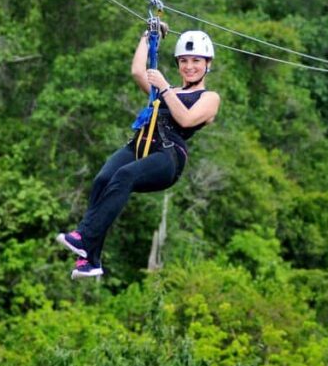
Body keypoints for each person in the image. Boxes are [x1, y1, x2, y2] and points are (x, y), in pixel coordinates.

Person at [56, 25, 221, 278]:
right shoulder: (167, 90)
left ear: (207, 64)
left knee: (125, 176)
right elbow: (137, 71)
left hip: (168, 155)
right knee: (103, 180)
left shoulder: (209, 97)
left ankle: (84, 238)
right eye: (184, 61)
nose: (189, 66)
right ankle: (91, 261)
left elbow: (186, 119)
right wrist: (148, 36)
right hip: (140, 144)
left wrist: (164, 87)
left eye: (196, 61)